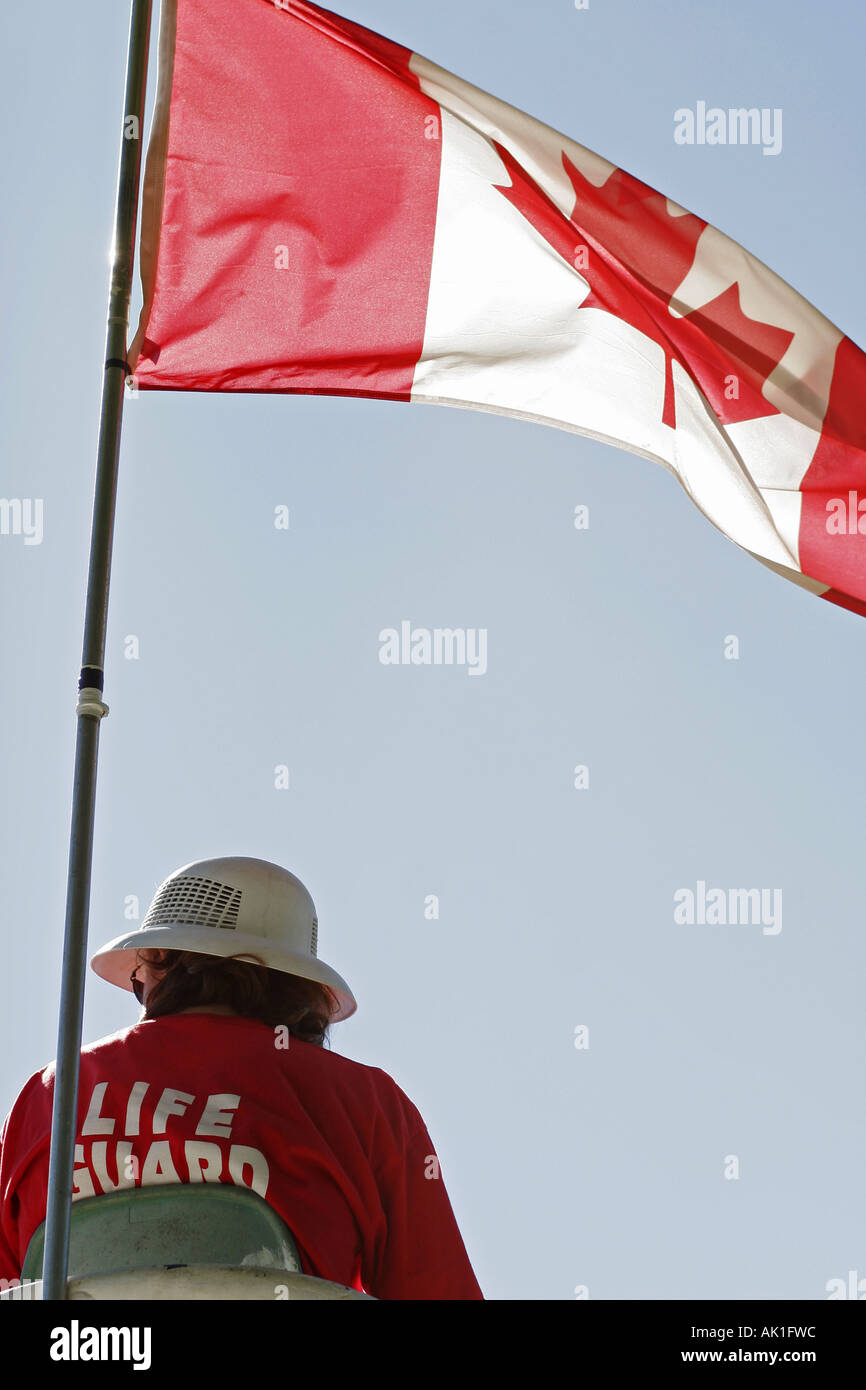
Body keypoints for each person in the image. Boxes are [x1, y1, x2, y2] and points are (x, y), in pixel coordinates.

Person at [0, 856, 483, 1300]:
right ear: (304, 989)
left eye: (137, 982)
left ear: (160, 963)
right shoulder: (368, 1103)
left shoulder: (49, 1097)